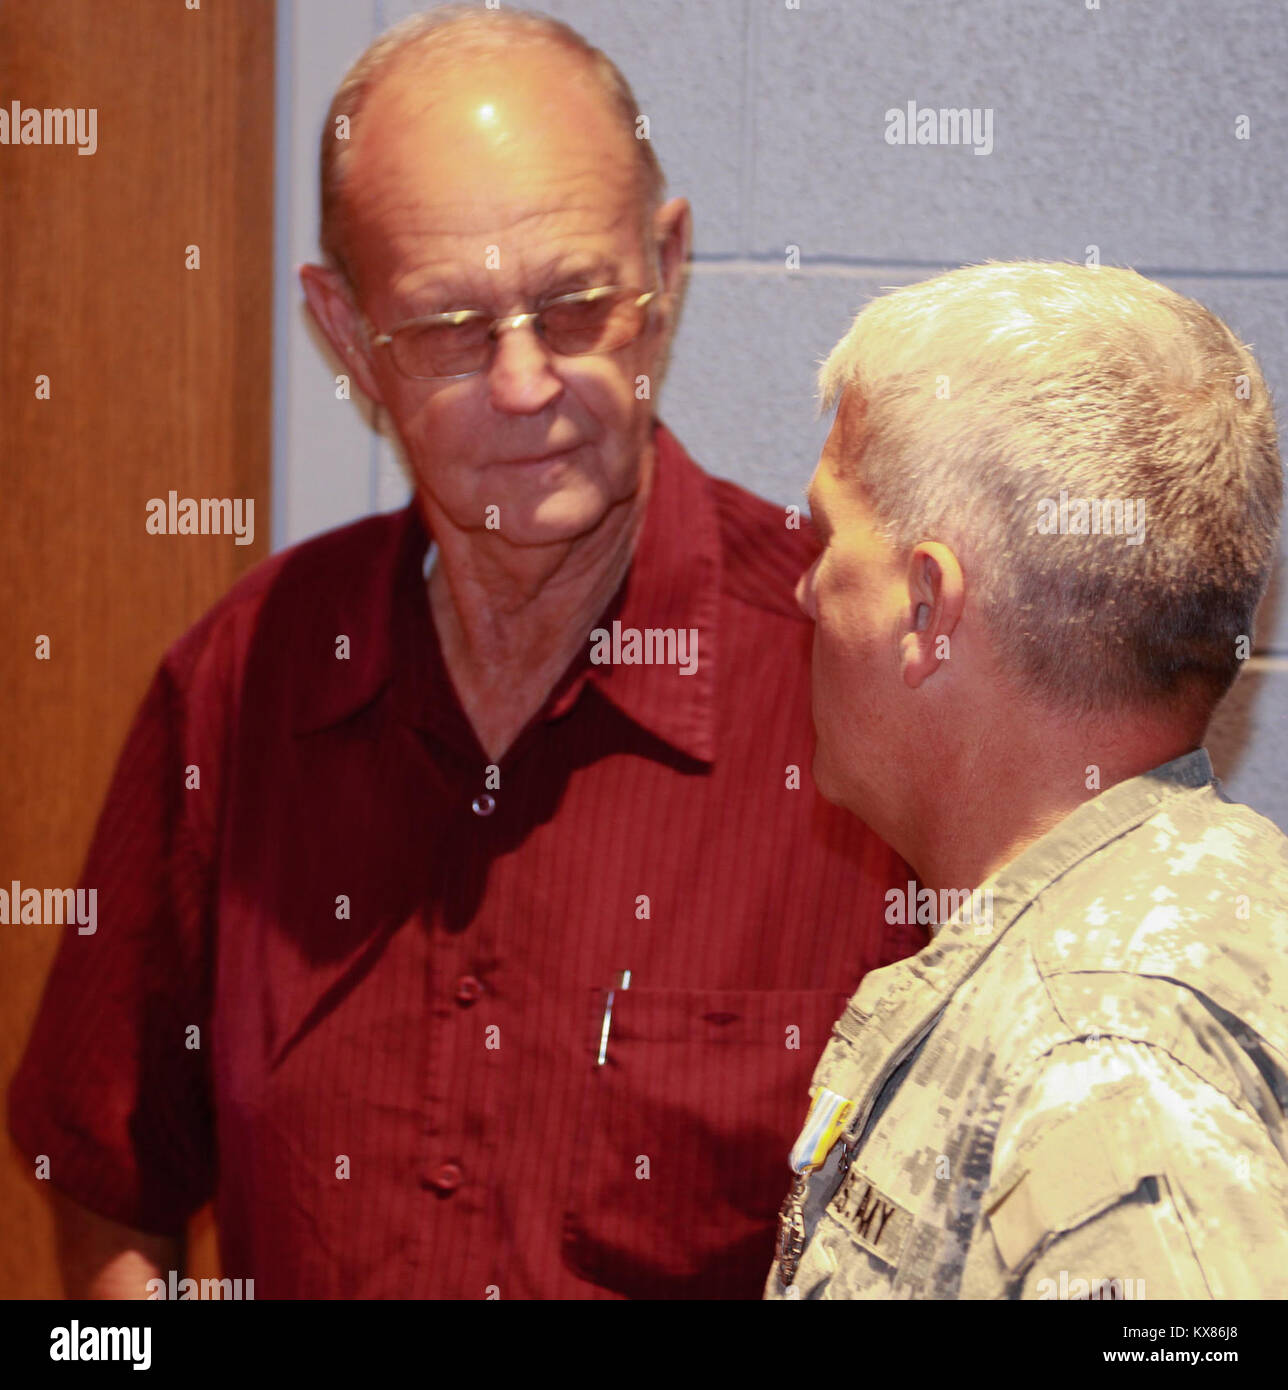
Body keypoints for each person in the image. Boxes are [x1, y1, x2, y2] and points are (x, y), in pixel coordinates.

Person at [9, 6, 919, 1300]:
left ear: (665, 276)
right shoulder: (244, 681)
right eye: (447, 328)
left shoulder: (859, 697)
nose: (525, 383)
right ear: (346, 338)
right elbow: (106, 1174)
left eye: (575, 303)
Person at [765, 259, 1288, 1301]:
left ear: (927, 605)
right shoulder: (1165, 922)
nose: (804, 587)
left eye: (828, 538)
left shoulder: (1107, 1043)